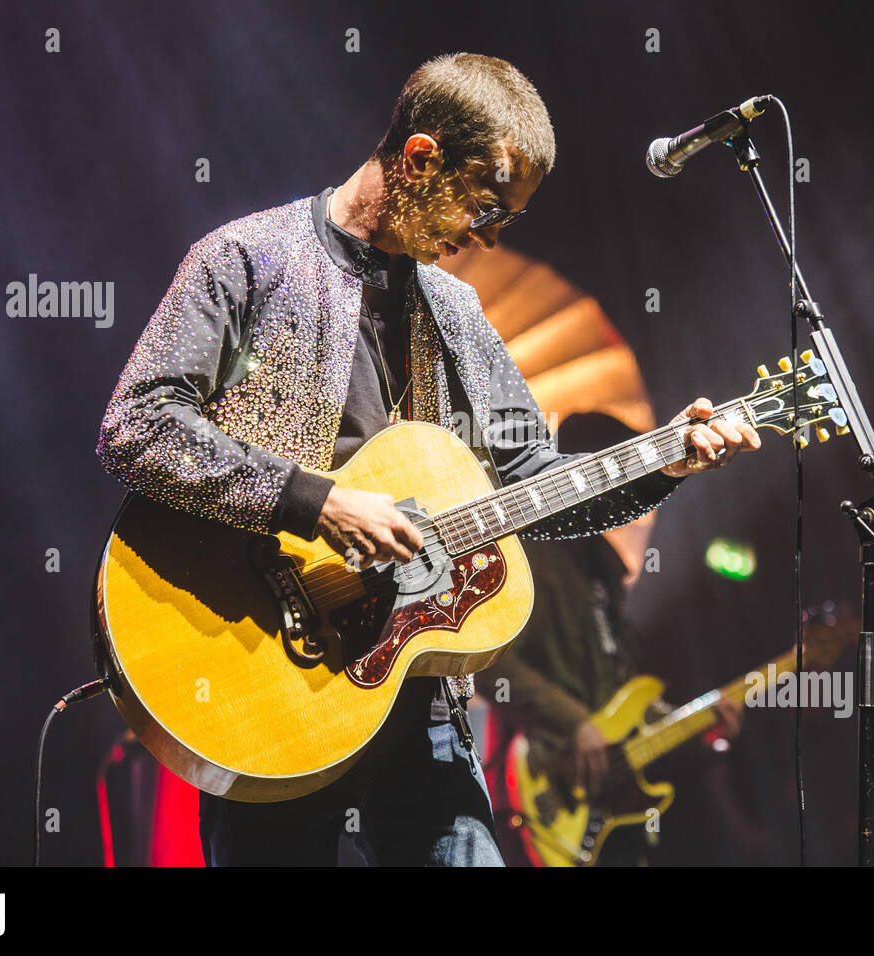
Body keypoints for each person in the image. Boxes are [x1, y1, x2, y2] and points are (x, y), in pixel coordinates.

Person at [95, 53, 760, 867]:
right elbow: (137, 426)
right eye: (486, 206)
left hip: (421, 695)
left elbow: (533, 480)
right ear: (418, 158)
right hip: (270, 683)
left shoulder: (455, 309)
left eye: (506, 218)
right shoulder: (246, 259)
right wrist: (321, 503)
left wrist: (666, 464)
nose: (487, 235)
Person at [479, 413, 743, 866]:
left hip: (612, 799)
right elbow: (488, 661)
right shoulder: (526, 551)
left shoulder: (605, 564)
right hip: (540, 784)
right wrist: (574, 722)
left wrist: (695, 720)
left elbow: (620, 686)